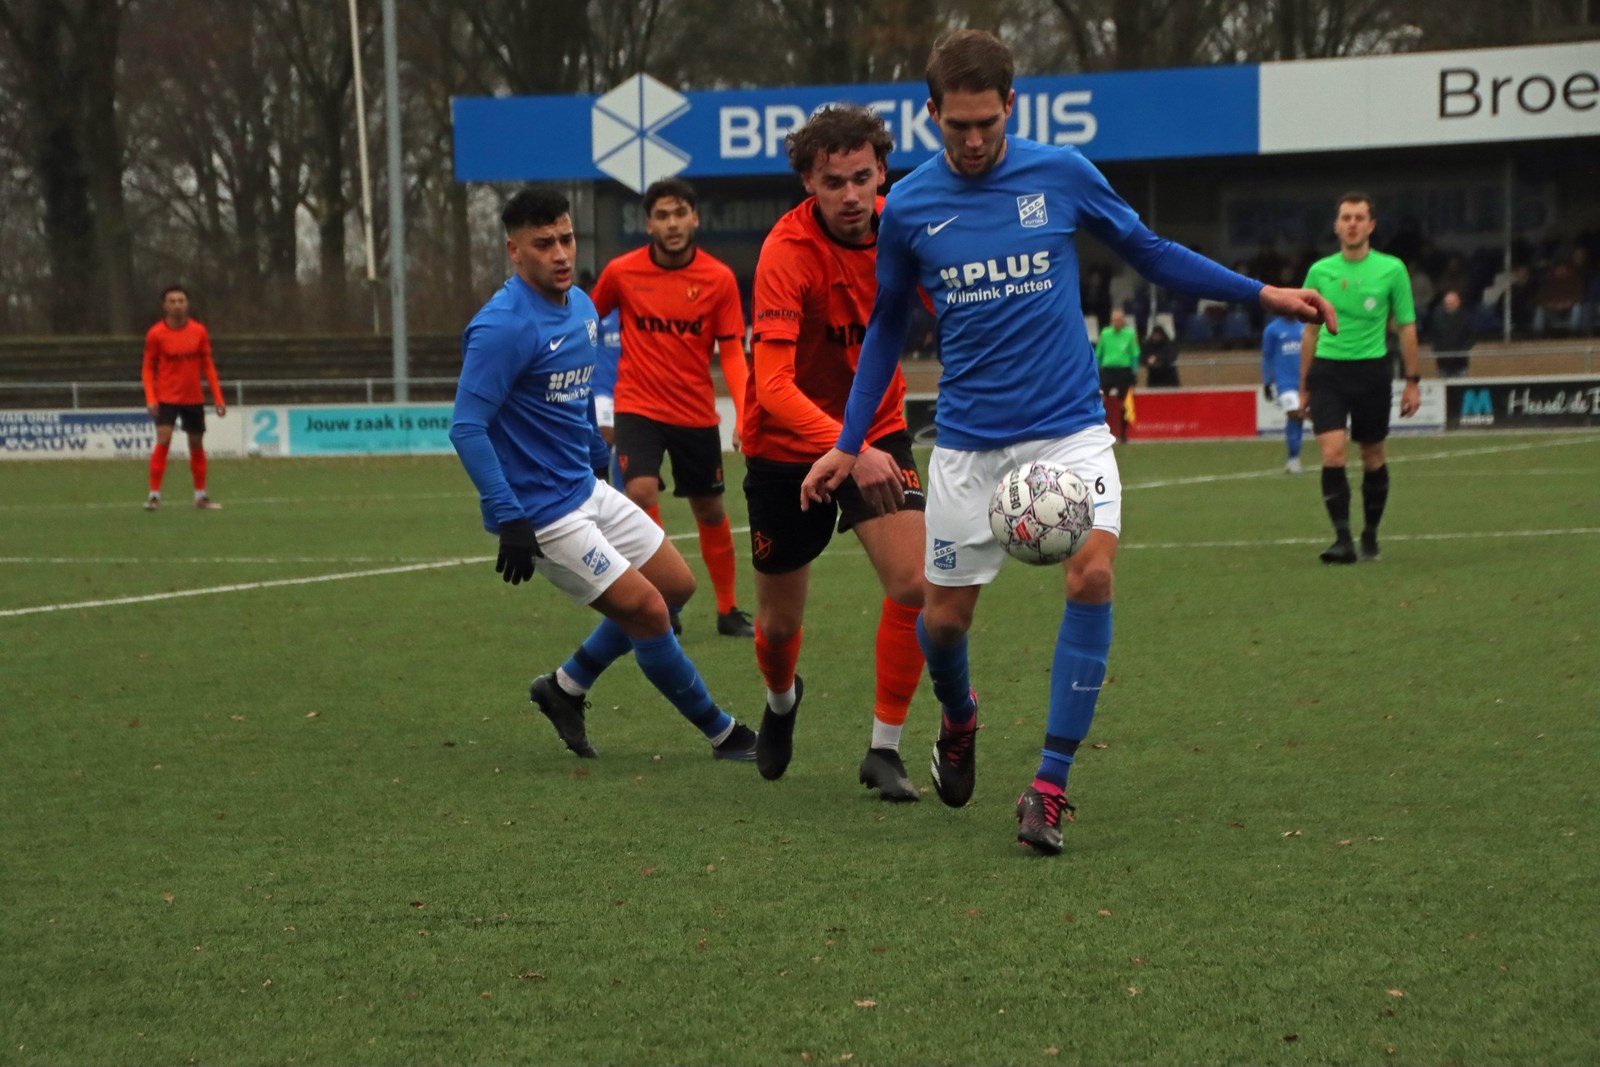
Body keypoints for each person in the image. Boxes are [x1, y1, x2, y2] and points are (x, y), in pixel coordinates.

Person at [800, 29, 1336, 856]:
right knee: (942, 623)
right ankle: (960, 714)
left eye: (987, 122)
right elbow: (886, 327)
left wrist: (1260, 292)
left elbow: (1150, 252)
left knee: (1092, 574)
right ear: (932, 115)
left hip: (1071, 431)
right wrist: (846, 438)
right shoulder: (904, 207)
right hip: (969, 449)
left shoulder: (1062, 174)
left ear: (1010, 106)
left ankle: (1049, 786)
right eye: (957, 126)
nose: (973, 141)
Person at [449, 187, 758, 762]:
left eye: (566, 239)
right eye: (544, 244)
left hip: (585, 487)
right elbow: (466, 427)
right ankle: (724, 733)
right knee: (645, 610)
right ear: (514, 252)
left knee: (676, 589)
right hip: (539, 512)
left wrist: (597, 458)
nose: (561, 253)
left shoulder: (585, 306)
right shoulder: (502, 327)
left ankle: (564, 687)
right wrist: (510, 514)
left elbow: (577, 401)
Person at [742, 104, 927, 802]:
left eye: (862, 178)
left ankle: (884, 748)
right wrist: (845, 447)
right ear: (807, 184)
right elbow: (772, 385)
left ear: (883, 172)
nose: (851, 196)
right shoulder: (785, 254)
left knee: (914, 582)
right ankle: (783, 700)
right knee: (779, 623)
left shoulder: (906, 227)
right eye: (832, 182)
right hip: (787, 446)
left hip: (878, 427)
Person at [590, 178, 756, 638]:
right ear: (648, 224)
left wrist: (744, 413)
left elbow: (733, 355)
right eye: (662, 215)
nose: (672, 222)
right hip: (637, 405)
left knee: (709, 509)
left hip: (695, 414)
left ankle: (727, 610)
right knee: (640, 492)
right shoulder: (621, 272)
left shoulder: (718, 279)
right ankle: (665, 595)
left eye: (680, 212)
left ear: (695, 218)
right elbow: (584, 318)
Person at [1299, 192, 1420, 566]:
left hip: (1372, 372)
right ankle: (1342, 540)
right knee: (1333, 453)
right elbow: (1309, 333)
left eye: (1359, 217)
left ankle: (1369, 534)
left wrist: (1413, 379)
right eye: (1346, 217)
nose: (1352, 223)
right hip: (1328, 373)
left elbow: (1406, 326)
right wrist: (1303, 385)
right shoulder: (1320, 272)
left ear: (1371, 225)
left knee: (1372, 455)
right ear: (1336, 226)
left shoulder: (1392, 270)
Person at [141, 285, 224, 510]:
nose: (177, 305)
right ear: (164, 306)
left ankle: (200, 496)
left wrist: (218, 397)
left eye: (181, 300)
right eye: (172, 301)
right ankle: (154, 495)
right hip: (167, 396)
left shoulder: (198, 331)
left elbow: (208, 365)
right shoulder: (156, 334)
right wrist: (151, 397)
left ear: (187, 304)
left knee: (196, 443)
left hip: (193, 397)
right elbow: (148, 368)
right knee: (164, 438)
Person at [1261, 314, 1306, 473]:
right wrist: (1267, 381)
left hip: (1304, 383)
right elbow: (1267, 357)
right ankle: (1293, 459)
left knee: (1299, 417)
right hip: (1285, 383)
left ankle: (1293, 458)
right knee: (1293, 414)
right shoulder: (1272, 330)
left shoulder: (1305, 327)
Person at [1095, 307, 1139, 442]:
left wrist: (1134, 372)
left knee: (1124, 403)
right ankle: (1099, 432)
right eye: (1114, 320)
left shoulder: (1130, 334)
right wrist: (1096, 371)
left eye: (1118, 320)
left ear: (1123, 321)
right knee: (1101, 400)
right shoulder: (1105, 333)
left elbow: (1135, 354)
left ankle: (1124, 434)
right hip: (1107, 370)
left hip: (1123, 371)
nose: (1116, 323)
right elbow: (1098, 354)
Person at [1429, 290, 1475, 378]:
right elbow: (1433, 337)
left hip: (1461, 361)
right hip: (1443, 362)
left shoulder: (1466, 318)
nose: (1449, 305)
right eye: (1447, 303)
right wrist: (1438, 350)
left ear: (1458, 302)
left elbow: (1471, 337)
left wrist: (1462, 351)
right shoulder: (1437, 318)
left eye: (1452, 303)